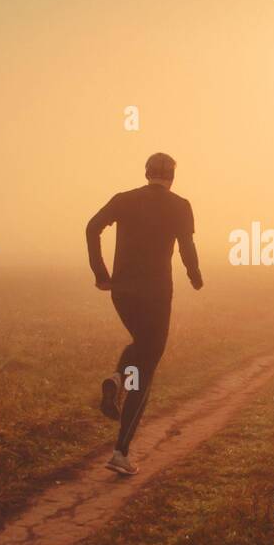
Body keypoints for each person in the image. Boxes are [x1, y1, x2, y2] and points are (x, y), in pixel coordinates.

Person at [85, 152, 203, 475]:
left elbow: (92, 228)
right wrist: (195, 276)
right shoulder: (180, 206)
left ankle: (117, 377)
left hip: (122, 293)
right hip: (157, 295)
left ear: (147, 173)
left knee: (140, 346)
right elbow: (186, 247)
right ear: (172, 178)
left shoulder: (123, 199)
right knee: (147, 367)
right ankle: (120, 452)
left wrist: (101, 273)